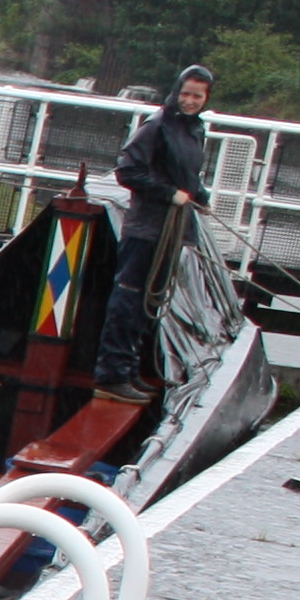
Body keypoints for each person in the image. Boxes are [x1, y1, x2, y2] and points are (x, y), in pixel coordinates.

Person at [95, 61, 213, 398]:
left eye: (197, 96)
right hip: (146, 227)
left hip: (171, 230)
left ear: (206, 99)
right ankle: (111, 375)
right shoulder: (156, 126)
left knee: (151, 300)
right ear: (177, 92)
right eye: (186, 94)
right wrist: (167, 194)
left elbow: (186, 174)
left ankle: (130, 370)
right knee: (129, 298)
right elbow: (128, 171)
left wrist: (200, 196)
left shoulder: (195, 130)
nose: (190, 101)